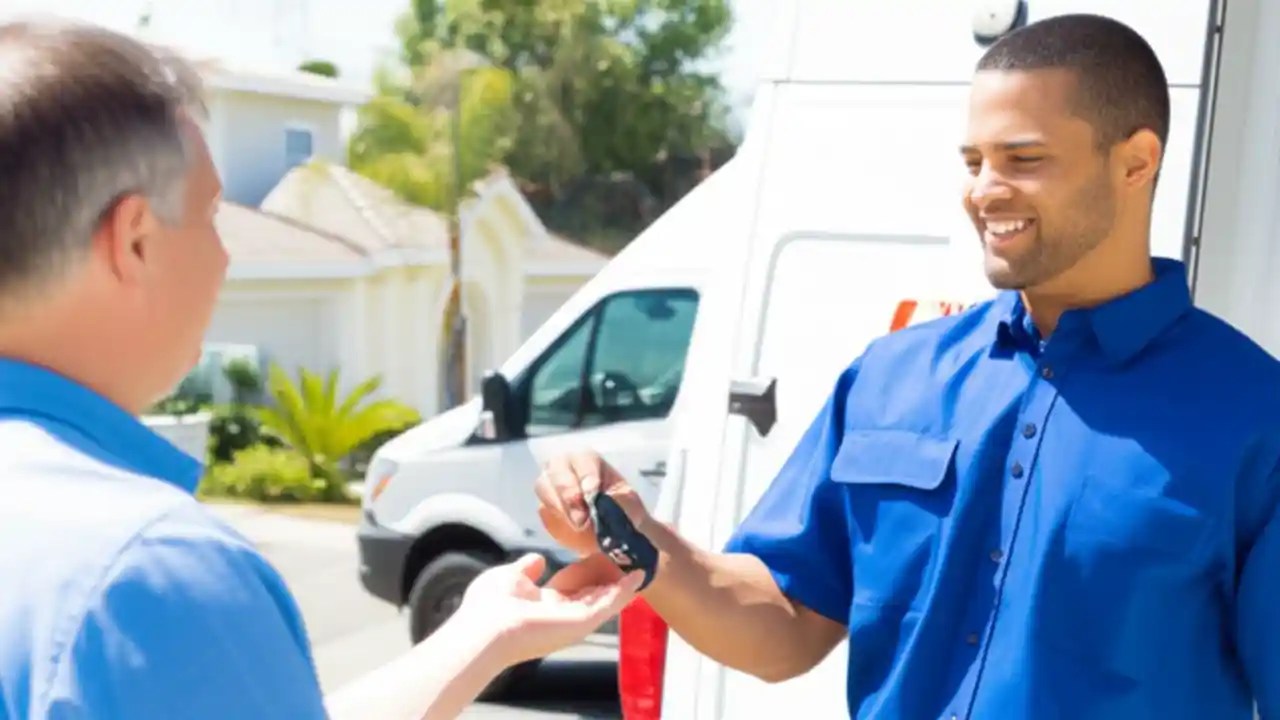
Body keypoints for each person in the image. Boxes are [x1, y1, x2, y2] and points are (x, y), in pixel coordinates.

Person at [536, 13, 1280, 720]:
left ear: (1136, 162)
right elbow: (785, 622)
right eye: (974, 161)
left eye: (1024, 159)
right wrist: (637, 534)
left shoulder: (1253, 416)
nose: (985, 190)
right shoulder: (891, 378)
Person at [0, 19, 642, 720]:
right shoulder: (149, 572)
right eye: (210, 214)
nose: (224, 256)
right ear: (135, 241)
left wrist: (482, 636)